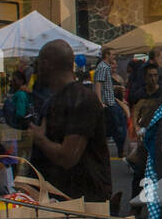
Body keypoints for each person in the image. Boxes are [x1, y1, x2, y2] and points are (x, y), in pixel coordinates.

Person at [29, 39, 112, 204]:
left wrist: (40, 140)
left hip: (84, 200)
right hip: (64, 199)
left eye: (38, 64)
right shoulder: (54, 100)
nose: (36, 69)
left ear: (47, 64)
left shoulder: (82, 99)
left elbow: (68, 157)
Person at [93, 47, 127, 156]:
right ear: (106, 55)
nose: (114, 57)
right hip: (108, 102)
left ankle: (121, 149)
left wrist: (115, 87)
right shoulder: (103, 67)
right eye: (112, 54)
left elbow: (105, 85)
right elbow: (98, 85)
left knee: (118, 125)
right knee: (118, 127)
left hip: (111, 100)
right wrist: (100, 101)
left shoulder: (105, 67)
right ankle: (121, 150)